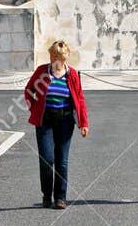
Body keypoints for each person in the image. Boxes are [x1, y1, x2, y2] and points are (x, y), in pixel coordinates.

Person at [23, 39, 89, 209]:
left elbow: (80, 99)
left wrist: (83, 123)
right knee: (47, 159)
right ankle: (46, 194)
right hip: (45, 121)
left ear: (64, 58)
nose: (53, 59)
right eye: (52, 55)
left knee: (62, 161)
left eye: (57, 56)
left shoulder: (72, 74)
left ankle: (60, 197)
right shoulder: (42, 71)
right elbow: (29, 90)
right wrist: (34, 108)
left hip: (65, 121)